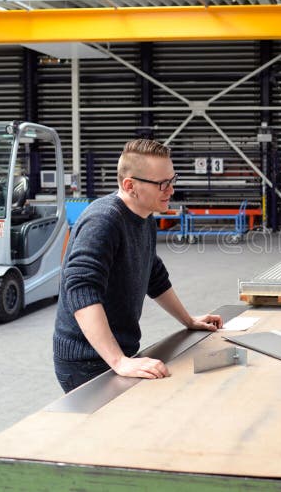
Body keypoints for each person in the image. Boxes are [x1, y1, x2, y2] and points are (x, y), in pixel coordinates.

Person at [53, 139, 223, 393]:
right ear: (130, 185)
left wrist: (188, 320)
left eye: (172, 179)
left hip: (120, 352)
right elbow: (80, 289)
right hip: (87, 360)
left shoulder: (144, 218)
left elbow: (154, 275)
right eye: (162, 184)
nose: (171, 189)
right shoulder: (104, 221)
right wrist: (118, 361)